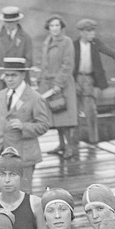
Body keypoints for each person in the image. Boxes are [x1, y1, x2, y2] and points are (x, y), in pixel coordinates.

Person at [0, 59, 51, 193]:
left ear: (23, 75)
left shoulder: (34, 97)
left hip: (23, 156)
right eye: (7, 75)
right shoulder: (1, 95)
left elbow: (44, 125)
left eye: (13, 75)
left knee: (23, 196)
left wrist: (24, 126)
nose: (9, 79)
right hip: (0, 152)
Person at [39, 16, 80, 159]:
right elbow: (44, 64)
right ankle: (61, 143)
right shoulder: (46, 43)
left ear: (61, 27)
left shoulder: (67, 42)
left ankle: (70, 147)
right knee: (56, 117)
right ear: (48, 28)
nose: (55, 28)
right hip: (49, 84)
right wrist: (41, 80)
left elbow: (68, 64)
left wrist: (58, 84)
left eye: (57, 25)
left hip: (63, 85)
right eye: (52, 26)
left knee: (66, 118)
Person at [73, 19, 115, 146]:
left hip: (89, 79)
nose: (92, 33)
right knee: (74, 112)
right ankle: (74, 141)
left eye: (93, 31)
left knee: (90, 111)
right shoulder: (73, 45)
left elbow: (110, 52)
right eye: (89, 31)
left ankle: (94, 140)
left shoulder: (96, 43)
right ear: (81, 32)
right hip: (76, 79)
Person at [0, 7, 33, 92]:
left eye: (12, 22)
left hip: (21, 82)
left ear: (17, 21)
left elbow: (29, 60)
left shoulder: (26, 38)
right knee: (2, 103)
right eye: (6, 22)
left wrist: (17, 76)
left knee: (23, 104)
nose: (9, 25)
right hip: (2, 82)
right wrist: (3, 76)